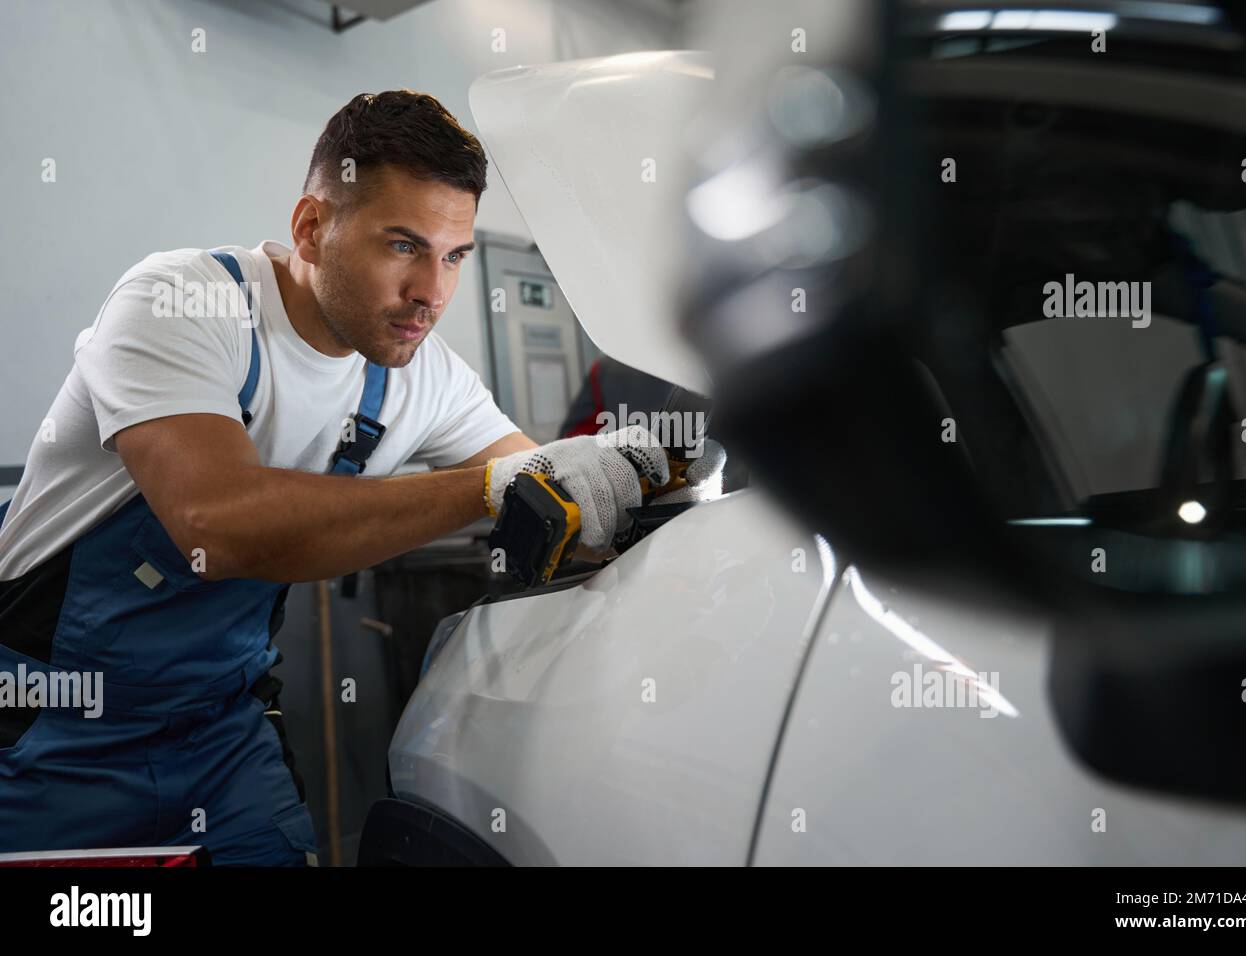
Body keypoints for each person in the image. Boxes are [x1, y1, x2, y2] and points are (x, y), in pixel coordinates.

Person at [0, 90, 721, 865]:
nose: (432, 295)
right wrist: (494, 487)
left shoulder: (424, 375)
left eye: (453, 257)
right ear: (312, 228)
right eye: (403, 246)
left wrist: (648, 494)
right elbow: (216, 523)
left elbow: (556, 489)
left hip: (220, 734)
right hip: (50, 732)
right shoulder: (186, 303)